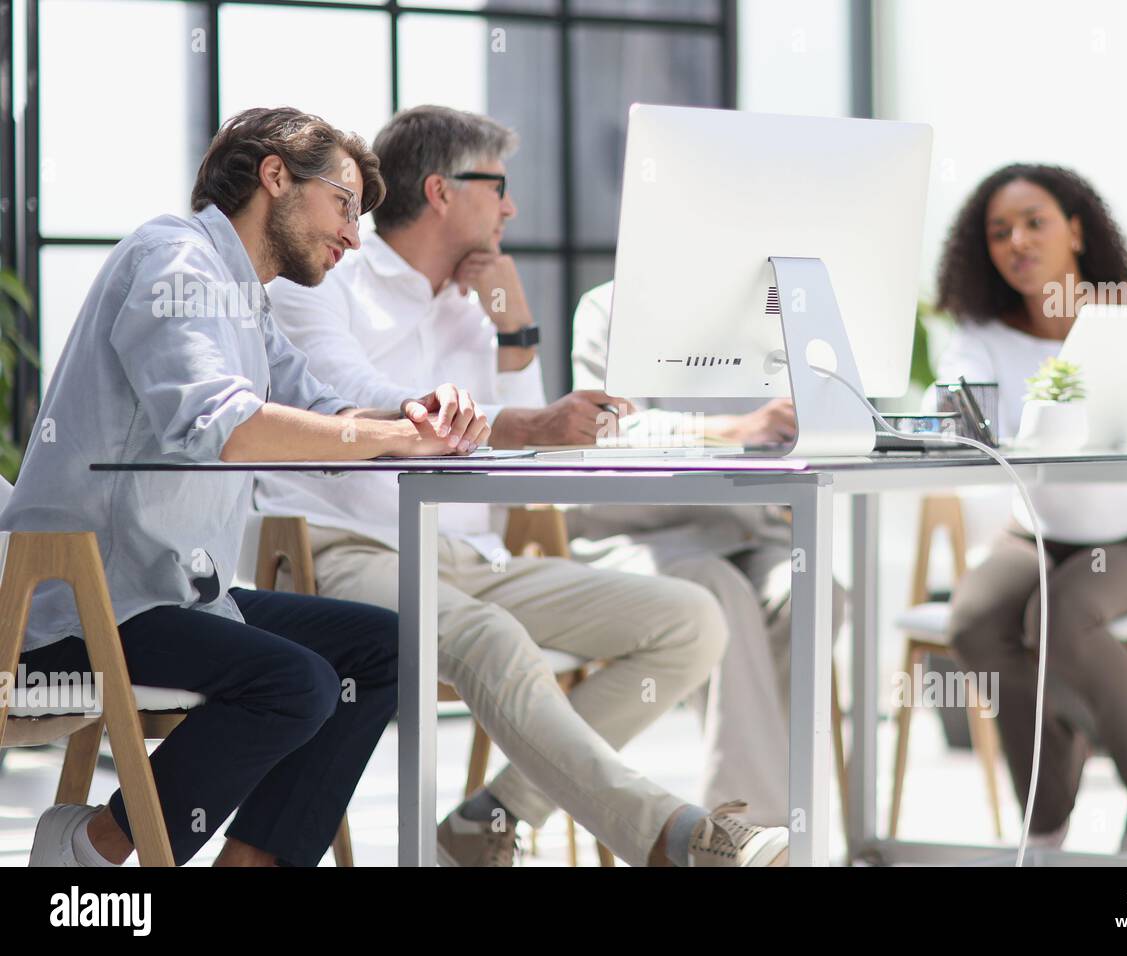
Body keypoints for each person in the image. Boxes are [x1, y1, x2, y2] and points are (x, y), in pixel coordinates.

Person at [253, 105, 789, 867]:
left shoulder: (479, 307)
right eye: (496, 187)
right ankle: (673, 835)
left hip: (471, 557)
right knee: (492, 638)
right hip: (345, 553)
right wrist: (532, 423)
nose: (510, 207)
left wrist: (516, 327)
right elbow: (358, 404)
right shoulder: (328, 279)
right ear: (440, 191)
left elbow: (538, 457)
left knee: (691, 618)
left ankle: (489, 822)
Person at [4, 107, 494, 867]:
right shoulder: (173, 261)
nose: (352, 237)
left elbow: (322, 409)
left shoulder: (242, 298)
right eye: (343, 204)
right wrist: (390, 436)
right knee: (295, 683)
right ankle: (88, 847)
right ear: (275, 176)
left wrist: (414, 416)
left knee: (387, 648)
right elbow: (221, 424)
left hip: (171, 599)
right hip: (80, 613)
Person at [934, 162, 1127, 851]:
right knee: (974, 620)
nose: (1018, 242)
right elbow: (961, 414)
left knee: (1062, 619)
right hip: (1033, 534)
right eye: (1000, 233)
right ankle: (1049, 802)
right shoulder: (983, 331)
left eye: (1036, 223)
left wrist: (1120, 418)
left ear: (1077, 230)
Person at [570, 280, 847, 826]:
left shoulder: (769, 312)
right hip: (637, 538)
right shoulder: (610, 306)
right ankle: (746, 829)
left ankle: (774, 826)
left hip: (745, 531)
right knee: (718, 593)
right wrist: (735, 430)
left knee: (812, 591)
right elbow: (607, 424)